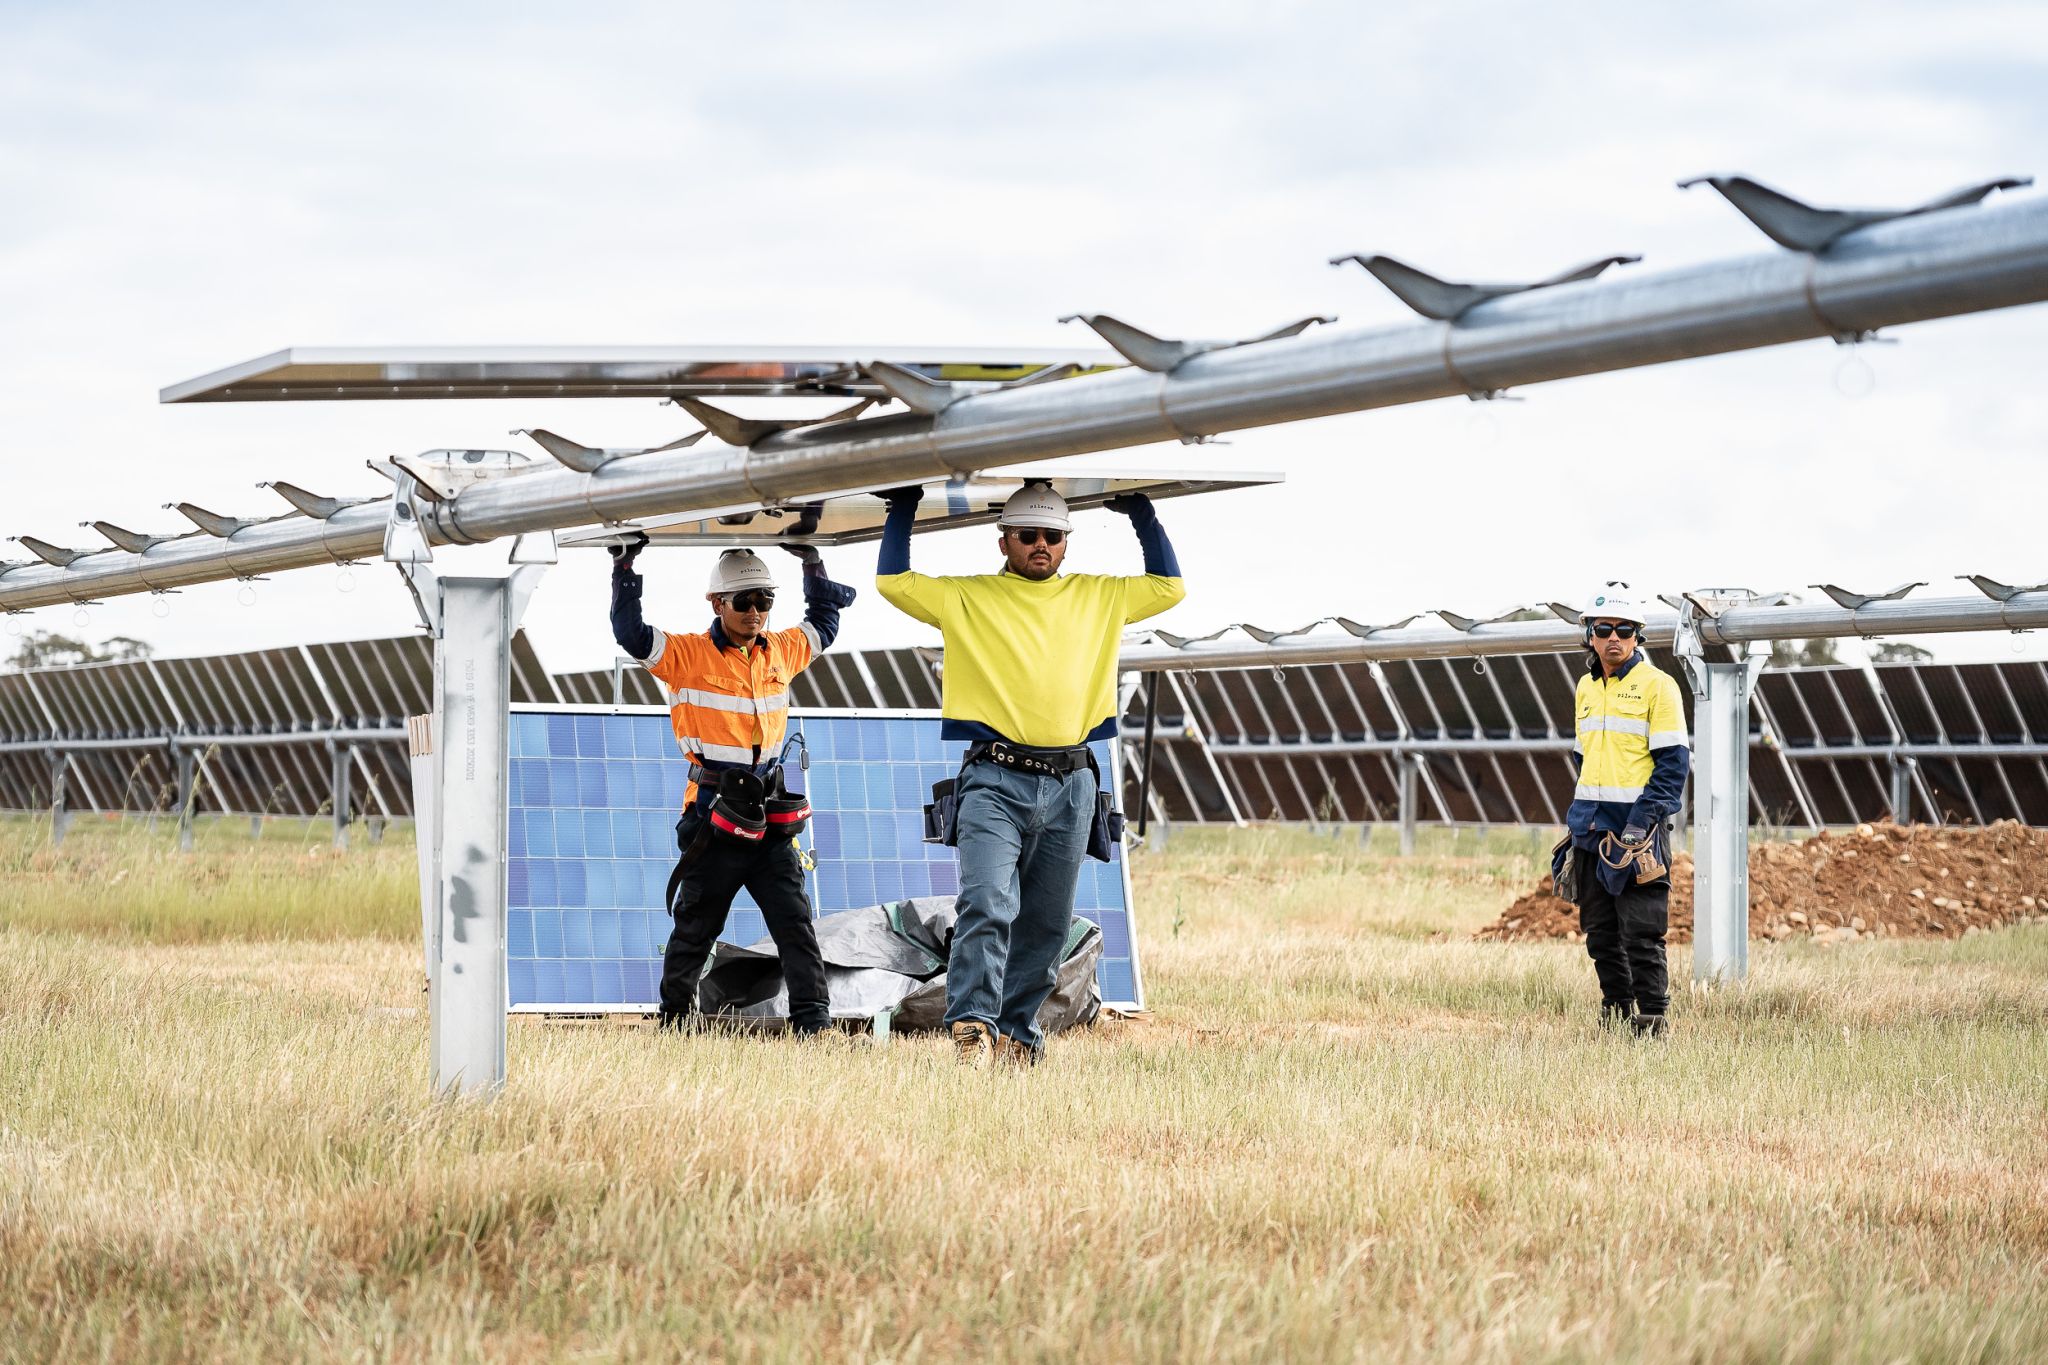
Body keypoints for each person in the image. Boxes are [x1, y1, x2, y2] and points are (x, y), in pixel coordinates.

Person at [875, 481, 1185, 1068]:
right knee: (987, 902)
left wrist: (1141, 514)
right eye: (1027, 535)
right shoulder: (968, 597)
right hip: (995, 779)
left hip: (1073, 784)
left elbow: (1170, 586)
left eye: (1052, 536)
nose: (1040, 544)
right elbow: (894, 582)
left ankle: (1017, 1034)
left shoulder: (1101, 596)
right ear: (1004, 540)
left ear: (1067, 542)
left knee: (1045, 925)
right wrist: (904, 507)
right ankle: (972, 1025)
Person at [609, 534, 858, 1035]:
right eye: (744, 601)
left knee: (795, 924)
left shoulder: (780, 650)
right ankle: (676, 1025)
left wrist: (813, 565)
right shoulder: (687, 655)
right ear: (717, 603)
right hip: (713, 815)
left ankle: (814, 1027)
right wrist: (625, 566)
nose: (755, 612)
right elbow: (630, 633)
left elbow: (824, 625)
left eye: (764, 600)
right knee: (695, 928)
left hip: (768, 816)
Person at [1556, 582, 1691, 1038]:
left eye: (1624, 629)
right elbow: (1584, 757)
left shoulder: (1659, 686)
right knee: (1600, 934)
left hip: (1638, 832)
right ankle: (1615, 1016)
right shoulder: (1585, 688)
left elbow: (1673, 765)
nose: (1614, 637)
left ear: (1638, 636)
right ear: (1590, 635)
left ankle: (1652, 1020)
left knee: (1641, 932)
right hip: (1591, 828)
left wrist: (1641, 821)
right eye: (1604, 629)